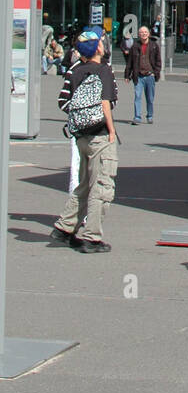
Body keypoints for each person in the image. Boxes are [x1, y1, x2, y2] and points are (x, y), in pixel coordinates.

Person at [49, 29, 117, 254]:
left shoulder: (74, 71)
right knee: (101, 186)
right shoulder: (104, 70)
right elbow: (107, 103)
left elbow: (64, 102)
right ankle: (92, 237)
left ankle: (64, 228)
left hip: (80, 136)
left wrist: (81, 119)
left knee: (84, 185)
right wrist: (111, 130)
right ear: (99, 48)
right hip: (99, 135)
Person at [125, 24, 161, 124]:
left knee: (150, 98)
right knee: (137, 96)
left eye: (145, 32)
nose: (143, 34)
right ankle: (137, 117)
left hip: (150, 75)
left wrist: (156, 72)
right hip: (139, 76)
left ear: (148, 34)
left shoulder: (154, 46)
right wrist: (127, 75)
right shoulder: (135, 46)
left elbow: (158, 61)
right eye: (141, 33)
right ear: (139, 35)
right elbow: (130, 62)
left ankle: (150, 115)